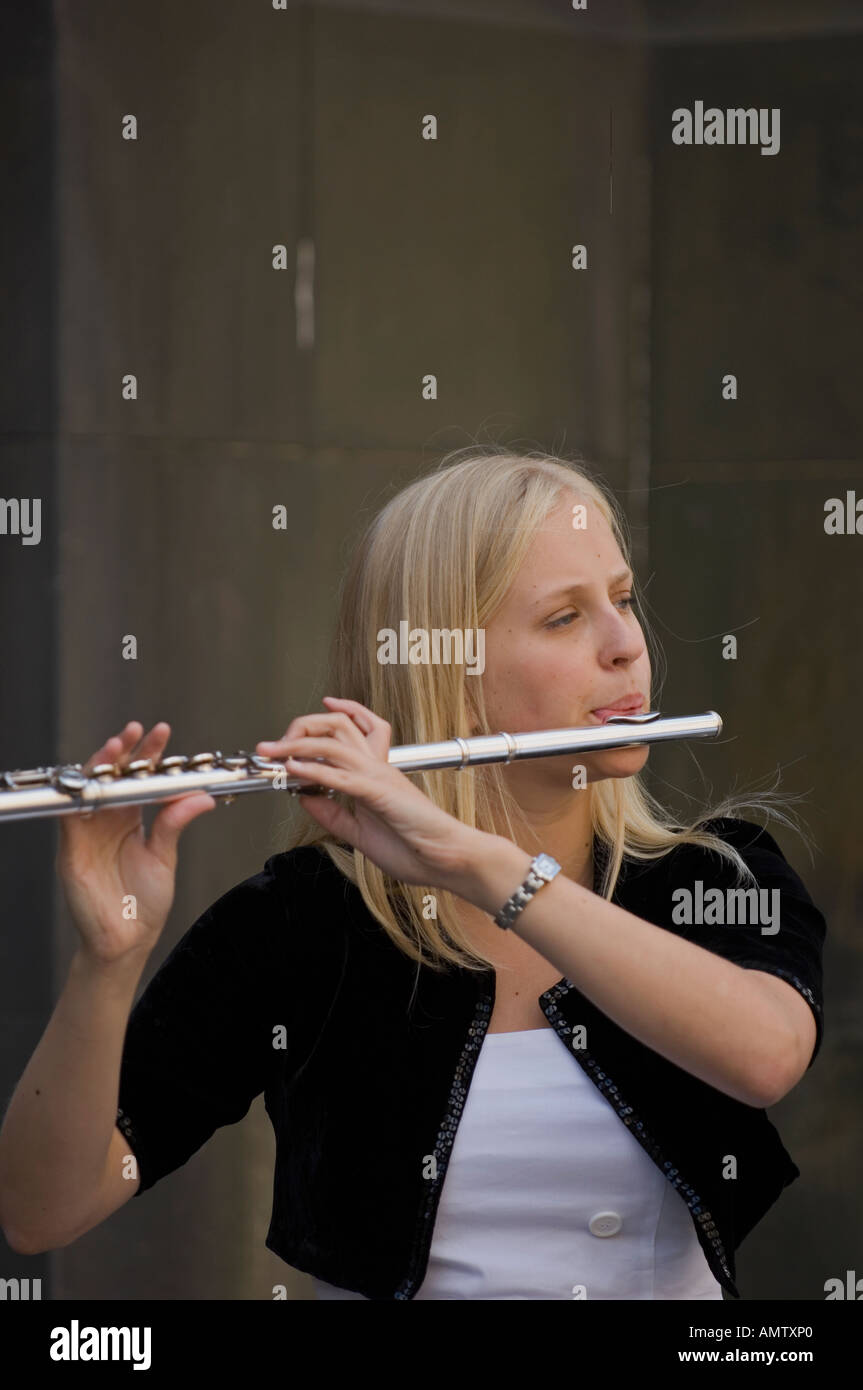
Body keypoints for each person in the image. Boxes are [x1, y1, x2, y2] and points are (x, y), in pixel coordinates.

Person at [0, 448, 825, 1300]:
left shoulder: (710, 874)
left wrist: (477, 863)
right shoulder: (301, 923)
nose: (626, 647)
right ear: (444, 669)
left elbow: (765, 1055)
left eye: (620, 599)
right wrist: (108, 961)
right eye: (563, 618)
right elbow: (41, 1213)